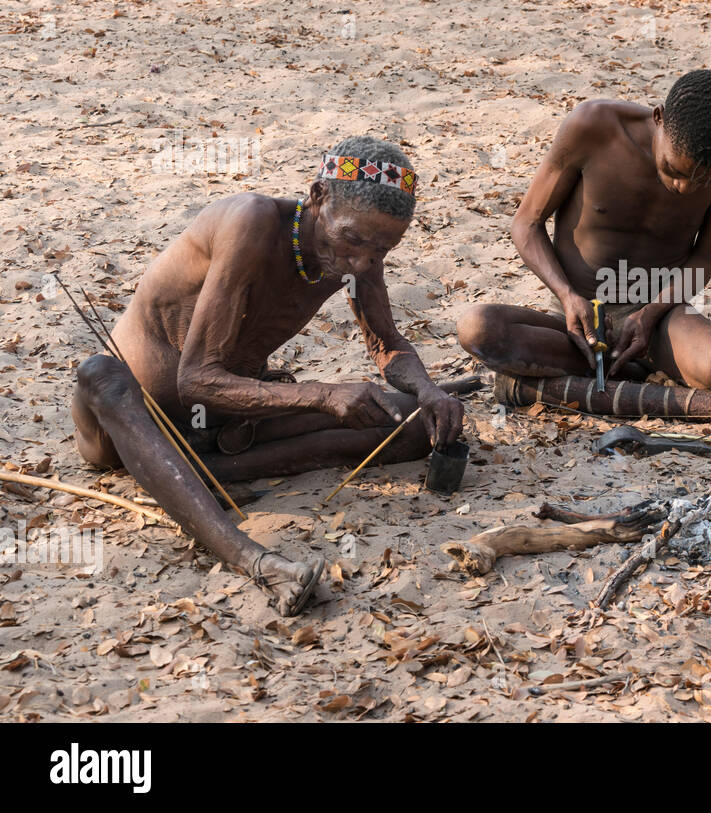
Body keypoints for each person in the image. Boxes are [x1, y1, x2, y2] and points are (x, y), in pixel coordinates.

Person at [72, 136, 464, 615]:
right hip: (129, 429)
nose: (361, 262)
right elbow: (194, 381)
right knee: (100, 374)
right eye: (354, 240)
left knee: (409, 421)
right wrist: (320, 396)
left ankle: (196, 478)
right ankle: (252, 559)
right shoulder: (252, 222)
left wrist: (427, 390)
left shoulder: (361, 254)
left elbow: (386, 347)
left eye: (382, 249)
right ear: (317, 197)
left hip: (224, 424)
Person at [458, 69, 711, 391]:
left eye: (705, 179)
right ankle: (631, 368)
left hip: (660, 317)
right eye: (673, 169)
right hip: (579, 316)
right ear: (658, 118)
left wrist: (650, 314)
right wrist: (567, 297)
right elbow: (527, 224)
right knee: (479, 329)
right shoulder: (594, 126)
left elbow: (705, 257)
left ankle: (624, 361)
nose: (684, 187)